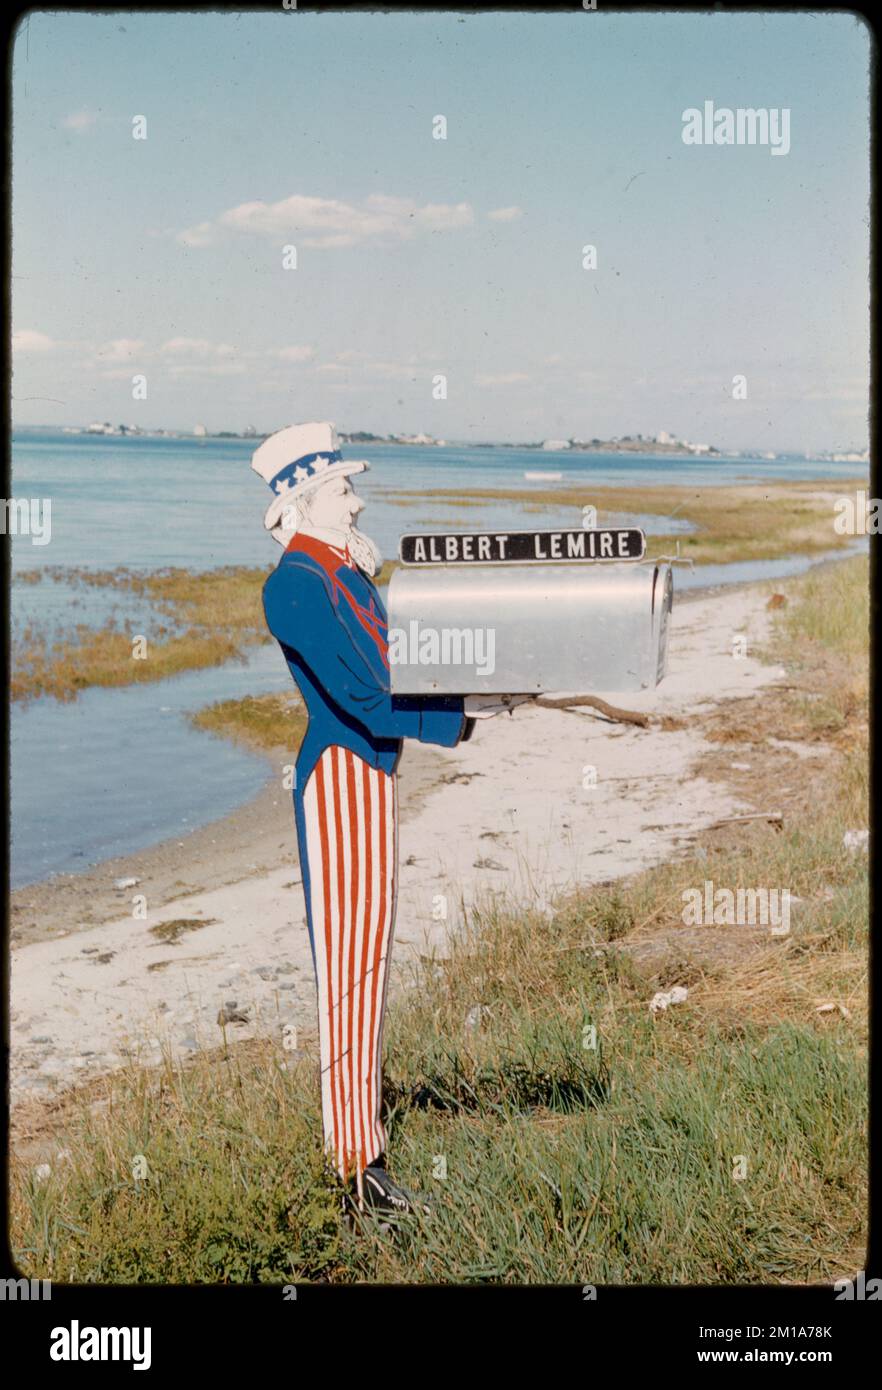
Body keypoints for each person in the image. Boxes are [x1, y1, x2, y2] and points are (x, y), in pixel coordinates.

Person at [252, 422, 521, 1216]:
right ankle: (355, 1173)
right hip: (338, 782)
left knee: (366, 969)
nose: (356, 498)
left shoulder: (345, 570)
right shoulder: (296, 582)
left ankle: (360, 1152)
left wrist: (483, 685)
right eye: (340, 488)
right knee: (347, 974)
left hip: (369, 779)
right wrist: (462, 718)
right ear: (303, 502)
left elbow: (400, 664)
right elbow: (364, 697)